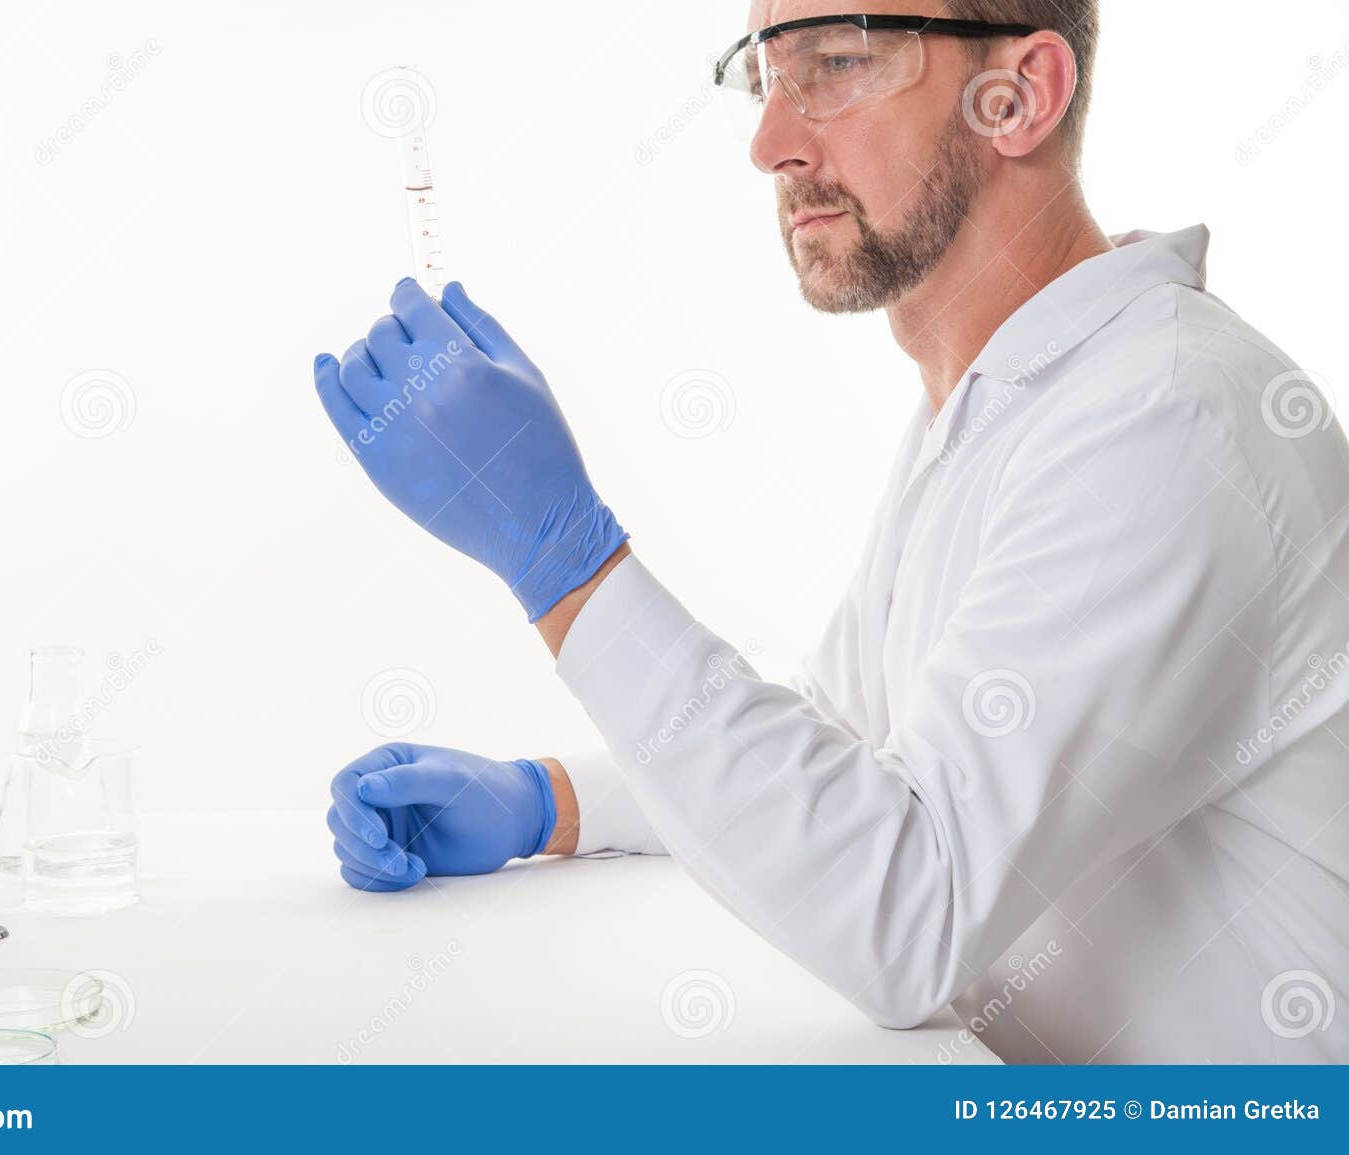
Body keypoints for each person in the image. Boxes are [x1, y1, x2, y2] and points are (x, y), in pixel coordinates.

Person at [313, 0, 1349, 1063]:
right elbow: (856, 756)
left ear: (1021, 96)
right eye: (767, 76)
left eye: (839, 62)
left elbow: (907, 919)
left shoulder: (1167, 419)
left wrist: (565, 565)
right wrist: (551, 803)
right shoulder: (1002, 402)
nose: (771, 143)